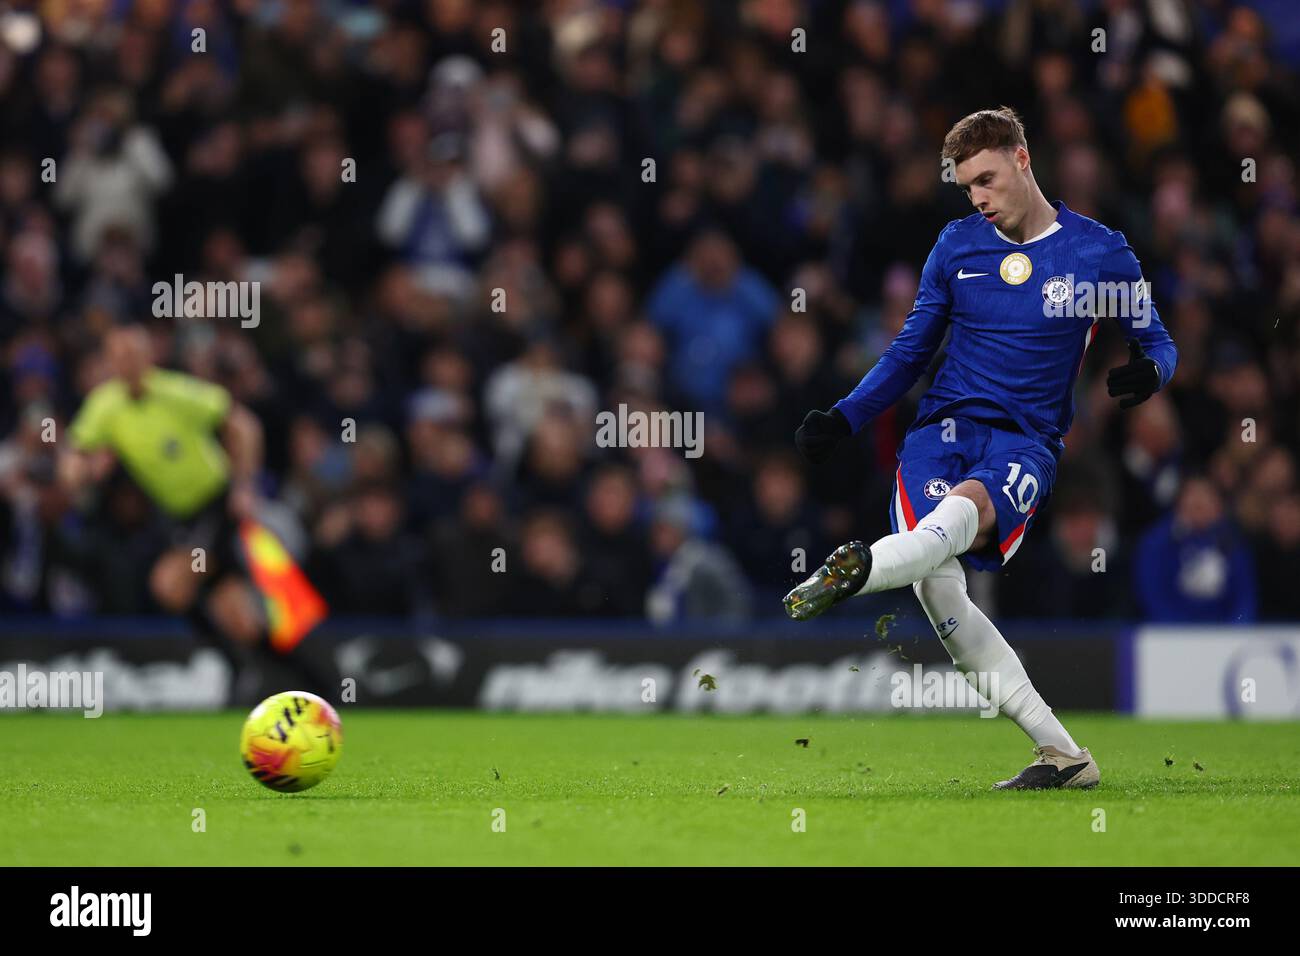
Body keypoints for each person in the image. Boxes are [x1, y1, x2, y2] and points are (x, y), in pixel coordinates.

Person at [783, 107, 1178, 790]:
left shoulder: (1096, 251)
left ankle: (853, 572)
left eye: (988, 180)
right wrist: (845, 417)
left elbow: (1159, 340)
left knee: (958, 519)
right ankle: (1065, 759)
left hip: (1024, 443)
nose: (980, 199)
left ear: (1023, 160)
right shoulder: (957, 246)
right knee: (943, 596)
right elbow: (911, 353)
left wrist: (1151, 372)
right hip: (938, 434)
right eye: (968, 187)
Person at [58, 323, 332, 699]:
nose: (127, 364)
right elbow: (76, 451)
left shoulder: (177, 392)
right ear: (109, 361)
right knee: (242, 621)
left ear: (149, 357)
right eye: (119, 357)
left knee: (169, 585)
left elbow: (243, 425)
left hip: (214, 504)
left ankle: (237, 667)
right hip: (179, 518)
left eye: (134, 355)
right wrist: (77, 474)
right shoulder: (105, 404)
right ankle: (321, 684)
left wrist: (244, 485)